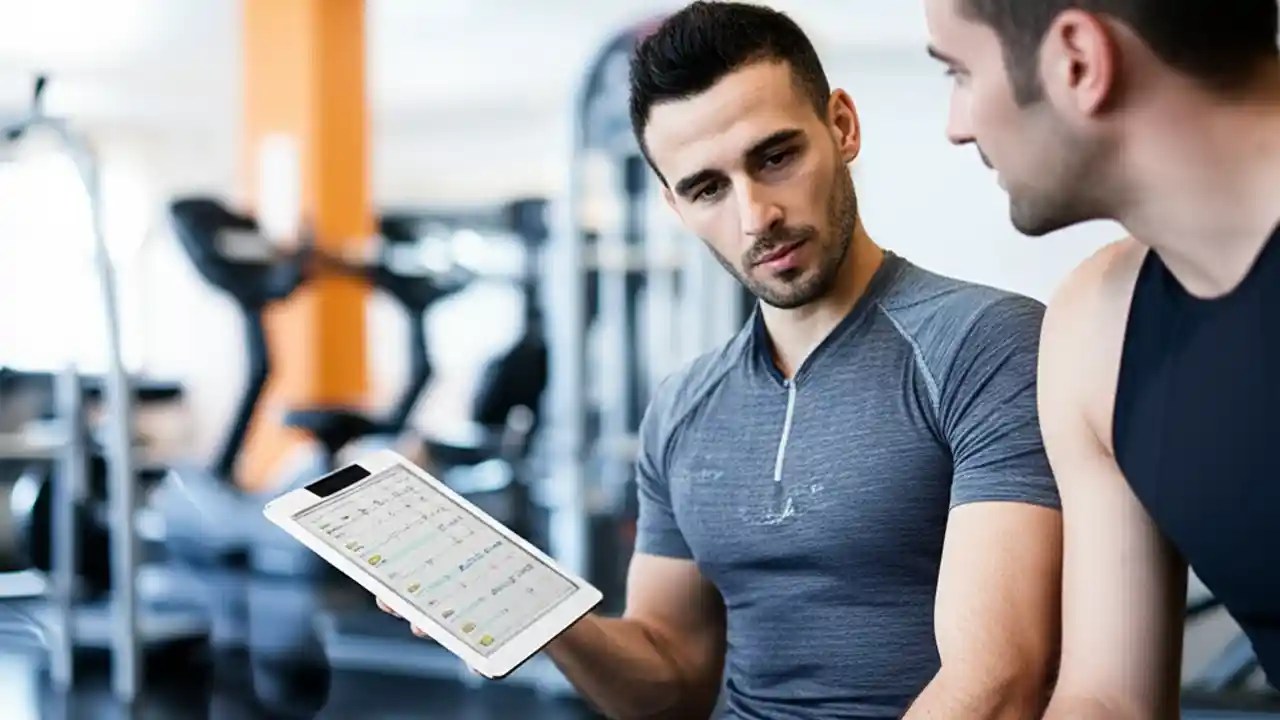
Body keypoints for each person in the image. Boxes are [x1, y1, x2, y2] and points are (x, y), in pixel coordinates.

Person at [385, 3, 1062, 718]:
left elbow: (997, 683)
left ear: (842, 127)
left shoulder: (987, 345)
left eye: (775, 158)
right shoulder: (683, 407)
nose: (755, 216)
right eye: (708, 188)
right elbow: (670, 683)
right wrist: (538, 611)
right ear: (675, 206)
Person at [923, 0, 1280, 714]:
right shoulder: (1095, 332)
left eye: (960, 73)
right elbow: (1108, 700)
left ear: (1077, 62)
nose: (956, 126)